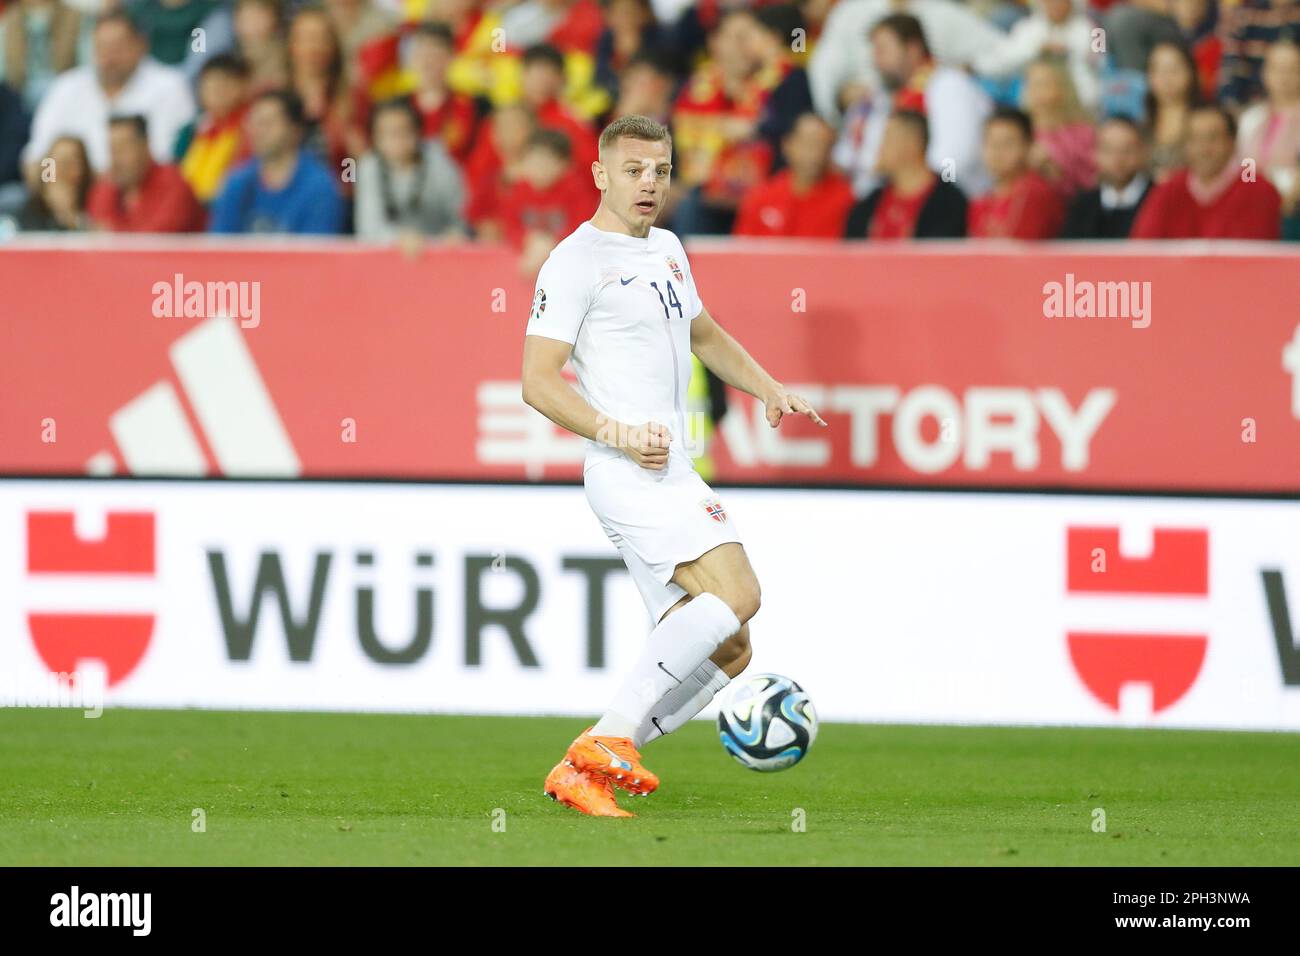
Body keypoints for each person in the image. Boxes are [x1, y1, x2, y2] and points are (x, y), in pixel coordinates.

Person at [519, 113, 827, 817]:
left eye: (659, 170)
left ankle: (585, 764)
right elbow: (537, 381)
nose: (648, 183)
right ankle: (611, 740)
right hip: (627, 468)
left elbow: (705, 335)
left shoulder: (668, 248)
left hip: (667, 467)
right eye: (633, 170)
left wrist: (769, 388)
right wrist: (617, 433)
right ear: (600, 175)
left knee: (730, 648)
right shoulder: (575, 261)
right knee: (740, 592)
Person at [831, 13, 991, 200]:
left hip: (947, 204)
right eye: (874, 52)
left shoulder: (949, 84)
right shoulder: (881, 99)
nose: (876, 62)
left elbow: (955, 159)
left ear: (913, 49)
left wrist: (909, 181)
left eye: (883, 50)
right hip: (891, 200)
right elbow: (852, 159)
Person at [22, 12, 195, 176]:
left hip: (138, 199)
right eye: (102, 47)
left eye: (118, 47)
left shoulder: (169, 86)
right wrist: (53, 187)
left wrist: (100, 185)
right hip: (69, 195)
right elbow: (36, 157)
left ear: (141, 45)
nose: (109, 57)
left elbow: (163, 158)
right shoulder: (66, 87)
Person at [1131, 104, 1282, 239]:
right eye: (1195, 139)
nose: (1203, 149)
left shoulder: (1259, 191)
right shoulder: (1168, 190)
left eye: (1213, 138)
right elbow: (1143, 248)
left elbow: (1254, 257)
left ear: (1231, 142)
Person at [208, 89, 345, 233]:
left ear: (295, 130)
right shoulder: (237, 182)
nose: (258, 130)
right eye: (255, 122)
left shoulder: (320, 186)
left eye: (268, 123)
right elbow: (220, 244)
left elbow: (316, 249)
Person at [844, 107, 967, 238]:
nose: (879, 148)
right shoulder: (869, 204)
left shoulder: (949, 204)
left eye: (887, 139)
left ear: (913, 144)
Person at [355, 96, 465, 242]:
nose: (398, 139)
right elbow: (369, 228)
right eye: (390, 133)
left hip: (440, 254)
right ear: (376, 138)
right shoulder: (368, 167)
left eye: (404, 131)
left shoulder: (440, 163)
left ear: (418, 132)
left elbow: (464, 215)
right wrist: (399, 239)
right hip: (387, 257)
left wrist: (456, 234)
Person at [735, 111, 856, 238]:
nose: (815, 153)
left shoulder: (846, 200)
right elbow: (743, 250)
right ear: (787, 144)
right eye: (808, 143)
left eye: (824, 144)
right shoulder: (760, 197)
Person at [87, 114, 206, 231]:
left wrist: (111, 233)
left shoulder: (173, 183)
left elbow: (154, 240)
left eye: (123, 148)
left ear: (145, 146)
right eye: (112, 149)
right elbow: (97, 228)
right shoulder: (106, 186)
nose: (116, 158)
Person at [968, 106, 1065, 238]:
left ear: (1028, 146)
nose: (996, 152)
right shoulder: (980, 203)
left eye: (1007, 143)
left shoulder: (1036, 195)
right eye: (991, 143)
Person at [1060, 115, 1153, 238]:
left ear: (1143, 152)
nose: (1117, 159)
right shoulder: (1083, 205)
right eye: (1108, 150)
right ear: (1096, 153)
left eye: (1126, 150)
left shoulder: (1157, 198)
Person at [1144, 41, 1202, 182]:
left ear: (1191, 72)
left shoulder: (1205, 121)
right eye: (1158, 70)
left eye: (1174, 70)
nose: (1166, 78)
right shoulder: (1141, 126)